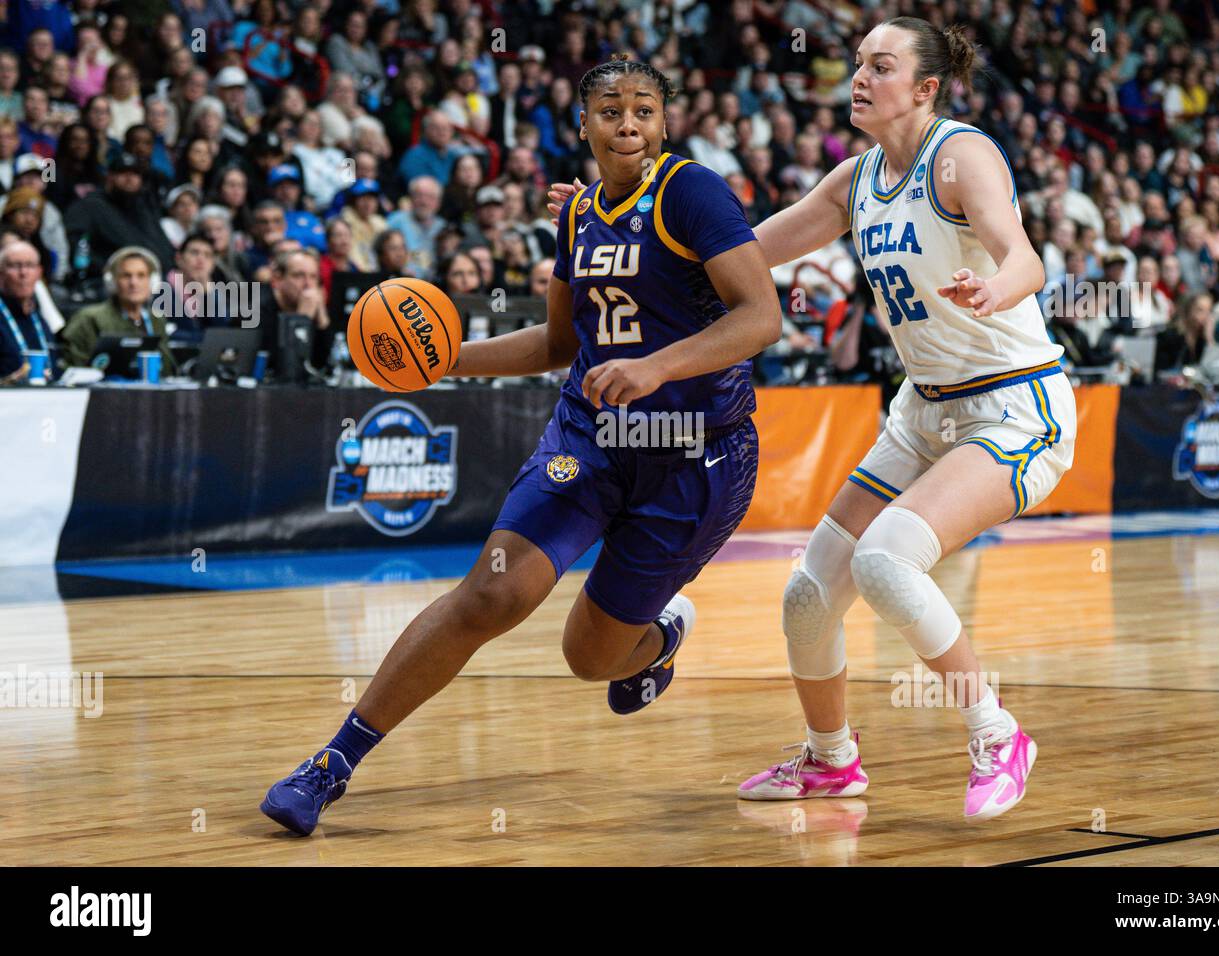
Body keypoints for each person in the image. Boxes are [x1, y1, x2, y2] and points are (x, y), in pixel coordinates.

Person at [554, 17, 1073, 822]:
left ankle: (996, 731)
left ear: (926, 88)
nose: (859, 78)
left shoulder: (961, 155)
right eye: (857, 63)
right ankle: (832, 761)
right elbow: (741, 254)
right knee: (807, 595)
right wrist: (606, 216)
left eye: (881, 66)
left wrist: (997, 288)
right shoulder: (856, 179)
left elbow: (1024, 255)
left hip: (1013, 405)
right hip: (923, 411)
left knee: (889, 559)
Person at [260, 55, 781, 836]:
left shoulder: (694, 192)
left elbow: (761, 317)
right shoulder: (575, 215)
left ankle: (661, 633)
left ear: (666, 121)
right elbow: (561, 343)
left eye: (644, 109)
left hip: (695, 454)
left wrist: (655, 366)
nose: (628, 123)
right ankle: (331, 763)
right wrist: (442, 360)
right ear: (584, 124)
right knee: (491, 594)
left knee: (590, 658)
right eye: (610, 111)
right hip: (591, 440)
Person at [61, 246, 177, 375]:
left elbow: (167, 371)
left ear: (152, 282)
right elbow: (74, 370)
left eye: (141, 275)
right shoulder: (89, 318)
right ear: (112, 281)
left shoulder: (157, 320)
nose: (134, 283)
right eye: (126, 276)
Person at [0, 240, 60, 383]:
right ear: (1, 273)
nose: (23, 273)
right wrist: (7, 383)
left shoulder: (39, 316)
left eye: (30, 265)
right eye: (15, 266)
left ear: (39, 273)